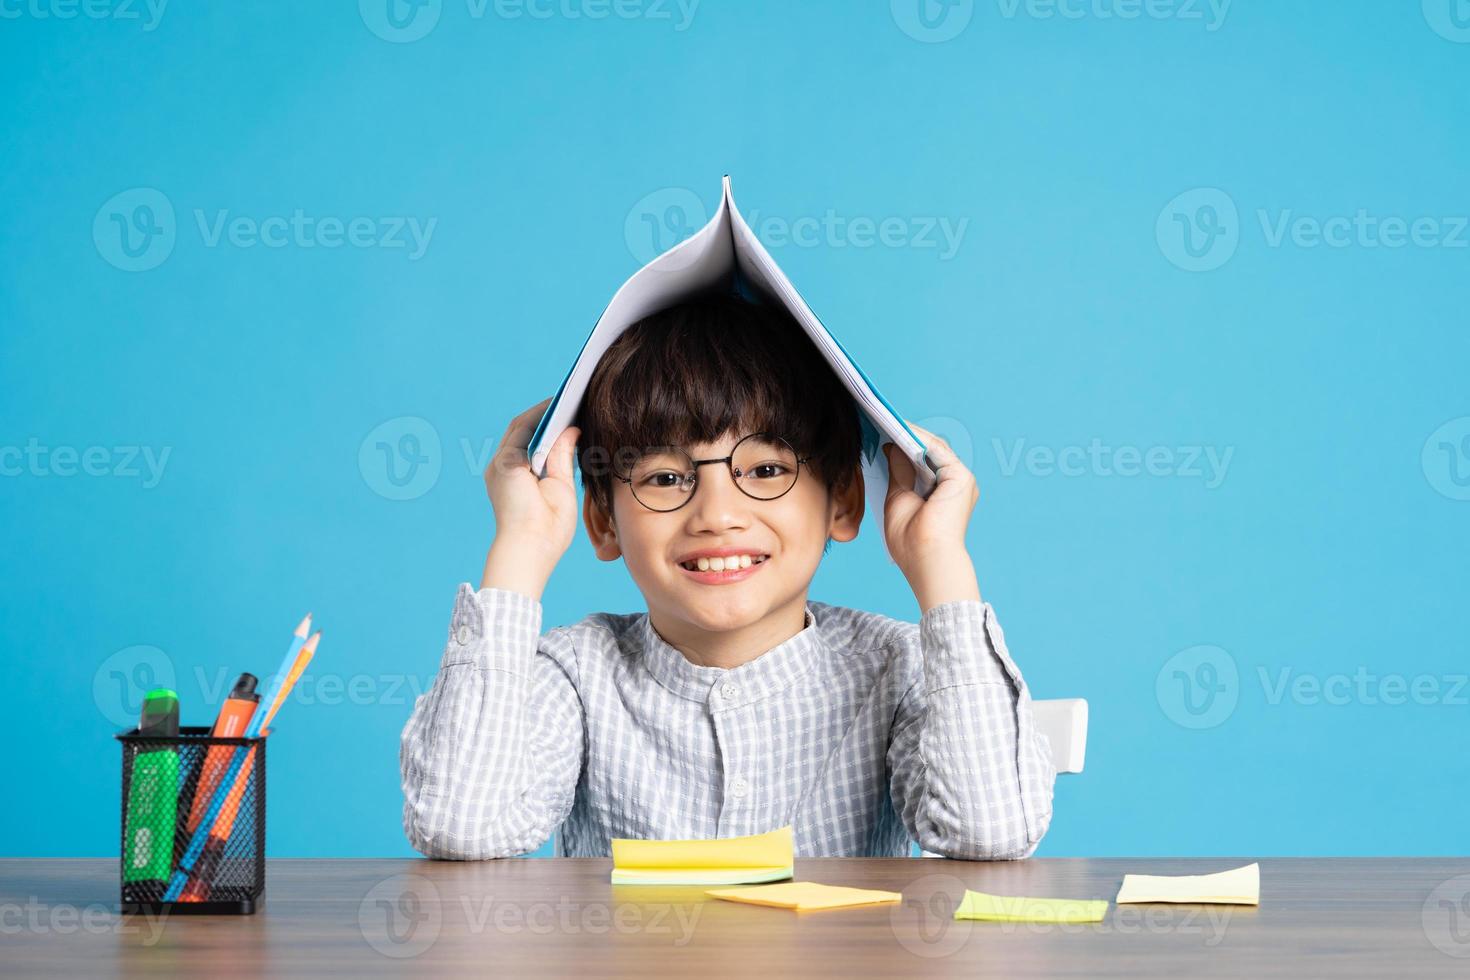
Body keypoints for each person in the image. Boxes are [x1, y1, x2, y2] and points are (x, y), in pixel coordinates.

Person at [400, 291, 1056, 859]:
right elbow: (462, 824)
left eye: (766, 470)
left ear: (845, 501)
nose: (717, 515)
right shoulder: (574, 676)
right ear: (602, 523)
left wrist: (940, 558)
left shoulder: (898, 667)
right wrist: (521, 543)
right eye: (665, 477)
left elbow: (989, 830)